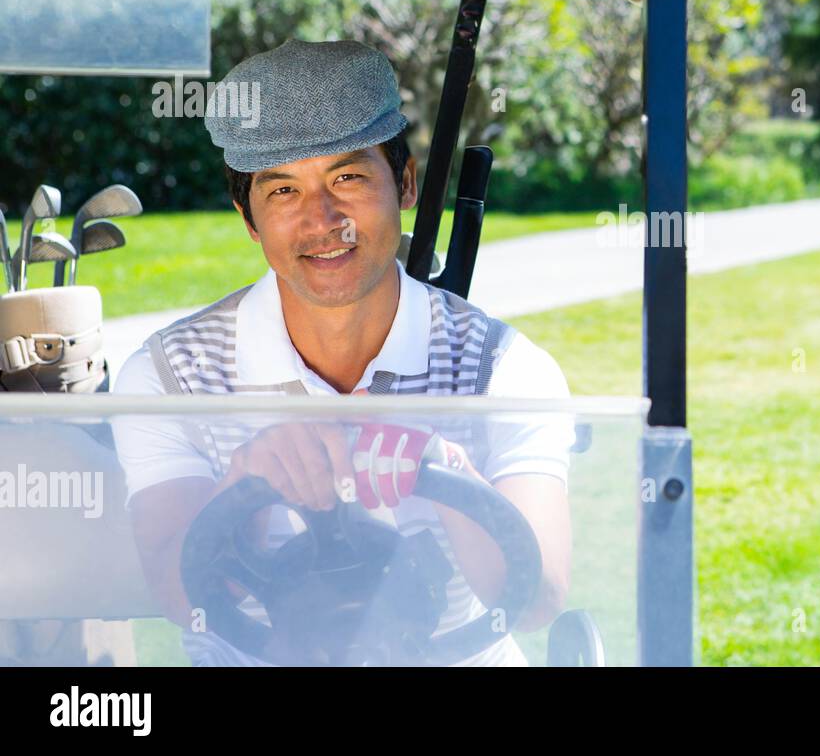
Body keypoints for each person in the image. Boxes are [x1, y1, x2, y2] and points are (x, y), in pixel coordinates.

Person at [112, 38, 573, 666]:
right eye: (282, 192)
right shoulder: (169, 378)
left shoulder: (503, 367)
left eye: (348, 177)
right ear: (249, 219)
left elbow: (539, 599)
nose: (322, 219)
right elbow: (177, 596)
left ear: (405, 183)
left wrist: (443, 465)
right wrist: (242, 480)